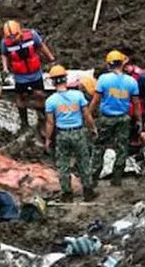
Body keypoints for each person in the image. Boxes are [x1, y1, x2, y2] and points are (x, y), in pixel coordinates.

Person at [44, 65, 96, 201]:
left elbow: (50, 123)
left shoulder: (50, 101)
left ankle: (67, 194)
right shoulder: (78, 96)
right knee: (83, 161)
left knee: (63, 164)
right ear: (65, 79)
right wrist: (93, 128)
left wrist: (48, 139)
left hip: (62, 134)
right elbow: (87, 115)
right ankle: (88, 191)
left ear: (52, 82)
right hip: (78, 132)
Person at [90, 50, 140, 182]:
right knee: (122, 147)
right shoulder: (131, 81)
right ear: (122, 64)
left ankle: (94, 176)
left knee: (99, 147)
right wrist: (139, 120)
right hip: (123, 118)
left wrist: (88, 115)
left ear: (108, 65)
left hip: (106, 118)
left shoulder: (103, 79)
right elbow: (136, 103)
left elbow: (95, 100)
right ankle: (117, 178)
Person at [1, 19, 54, 131]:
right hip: (20, 76)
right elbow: (4, 55)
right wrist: (5, 68)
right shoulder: (5, 43)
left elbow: (41, 46)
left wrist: (50, 58)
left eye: (14, 36)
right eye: (9, 37)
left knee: (39, 94)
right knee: (21, 96)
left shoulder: (31, 36)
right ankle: (24, 123)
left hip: (35, 73)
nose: (12, 39)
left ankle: (42, 119)